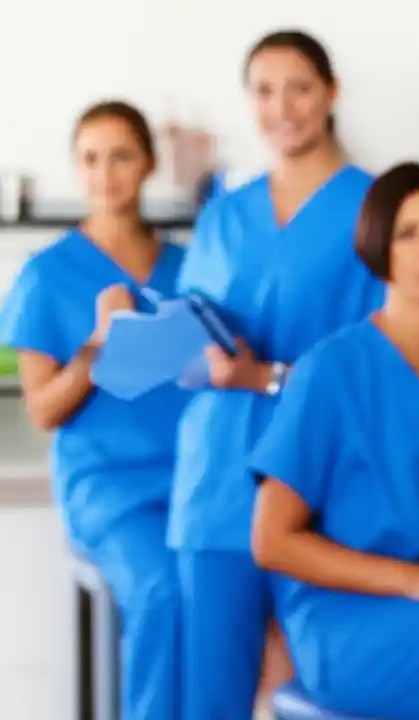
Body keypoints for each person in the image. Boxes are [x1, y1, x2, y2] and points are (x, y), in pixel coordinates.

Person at [248, 162, 419, 718]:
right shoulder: (330, 370)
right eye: (409, 232)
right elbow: (272, 540)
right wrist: (418, 581)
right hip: (353, 622)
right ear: (379, 246)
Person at [170, 30, 384, 720]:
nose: (282, 106)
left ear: (331, 95)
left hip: (326, 487)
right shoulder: (225, 213)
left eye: (298, 87)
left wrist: (266, 376)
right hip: (216, 485)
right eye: (264, 90)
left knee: (326, 691)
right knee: (212, 697)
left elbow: (385, 363)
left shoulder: (377, 210)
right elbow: (186, 342)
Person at [0, 101, 186, 720]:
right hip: (110, 489)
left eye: (122, 156)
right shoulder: (49, 276)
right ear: (76, 170)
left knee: (229, 586)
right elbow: (43, 411)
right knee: (160, 589)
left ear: (149, 164)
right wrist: (98, 345)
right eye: (91, 159)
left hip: (191, 483)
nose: (106, 175)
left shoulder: (188, 269)